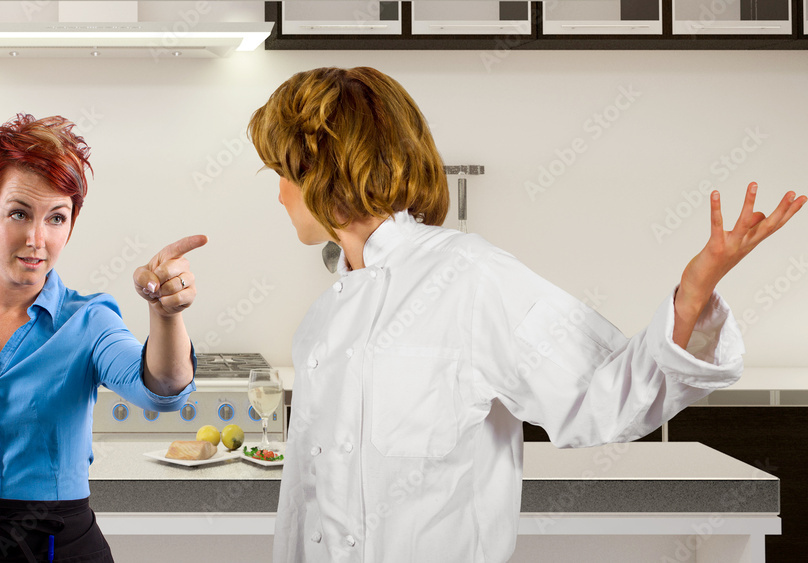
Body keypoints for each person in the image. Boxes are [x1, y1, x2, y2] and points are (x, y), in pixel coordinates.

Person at [247, 67, 806, 563]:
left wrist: (695, 290)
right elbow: (305, 505)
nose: (278, 196)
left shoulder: (470, 276)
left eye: (283, 173)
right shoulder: (322, 320)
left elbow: (603, 398)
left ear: (322, 169)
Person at [0, 114, 206, 562]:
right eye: (18, 213)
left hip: (56, 544)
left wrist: (164, 315)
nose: (37, 239)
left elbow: (163, 392)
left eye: (56, 218)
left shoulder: (89, 320)